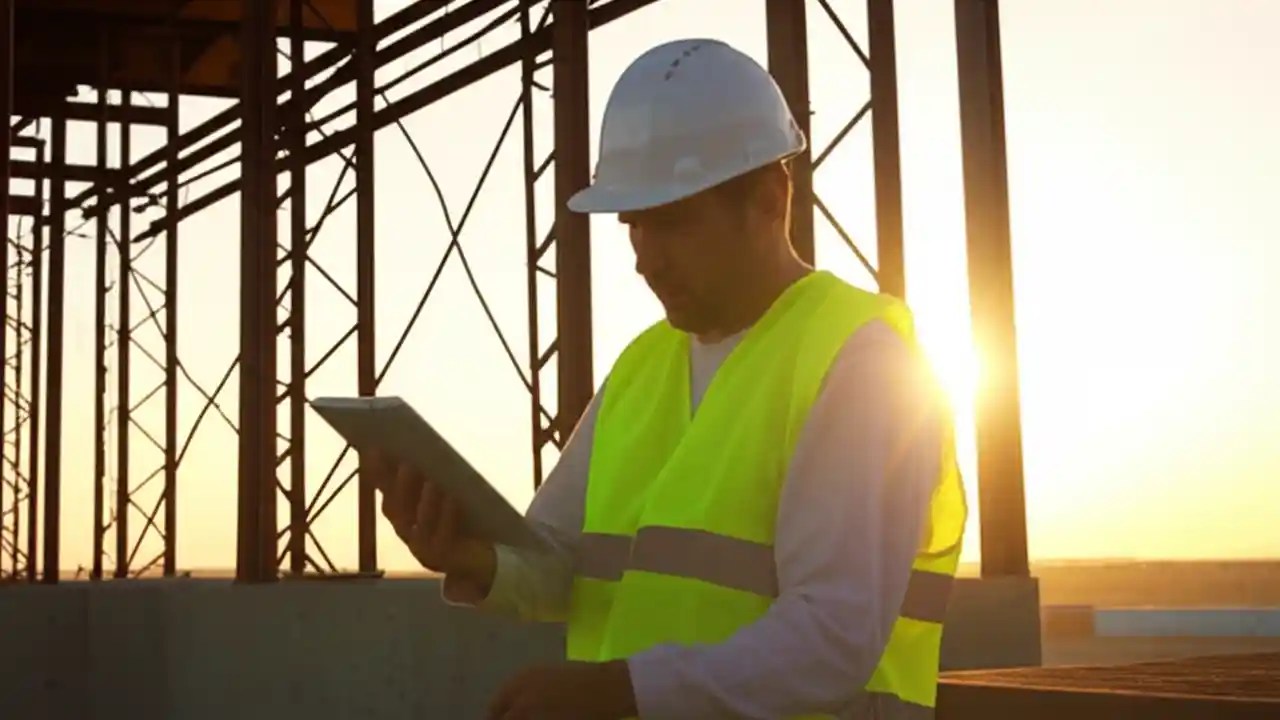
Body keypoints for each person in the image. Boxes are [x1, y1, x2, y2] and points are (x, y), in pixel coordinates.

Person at [373, 38, 967, 719]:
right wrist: (475, 556)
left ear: (771, 199)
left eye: (673, 224)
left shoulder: (863, 365)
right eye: (633, 226)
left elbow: (830, 639)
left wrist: (622, 693)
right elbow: (566, 566)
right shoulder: (643, 366)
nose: (644, 261)